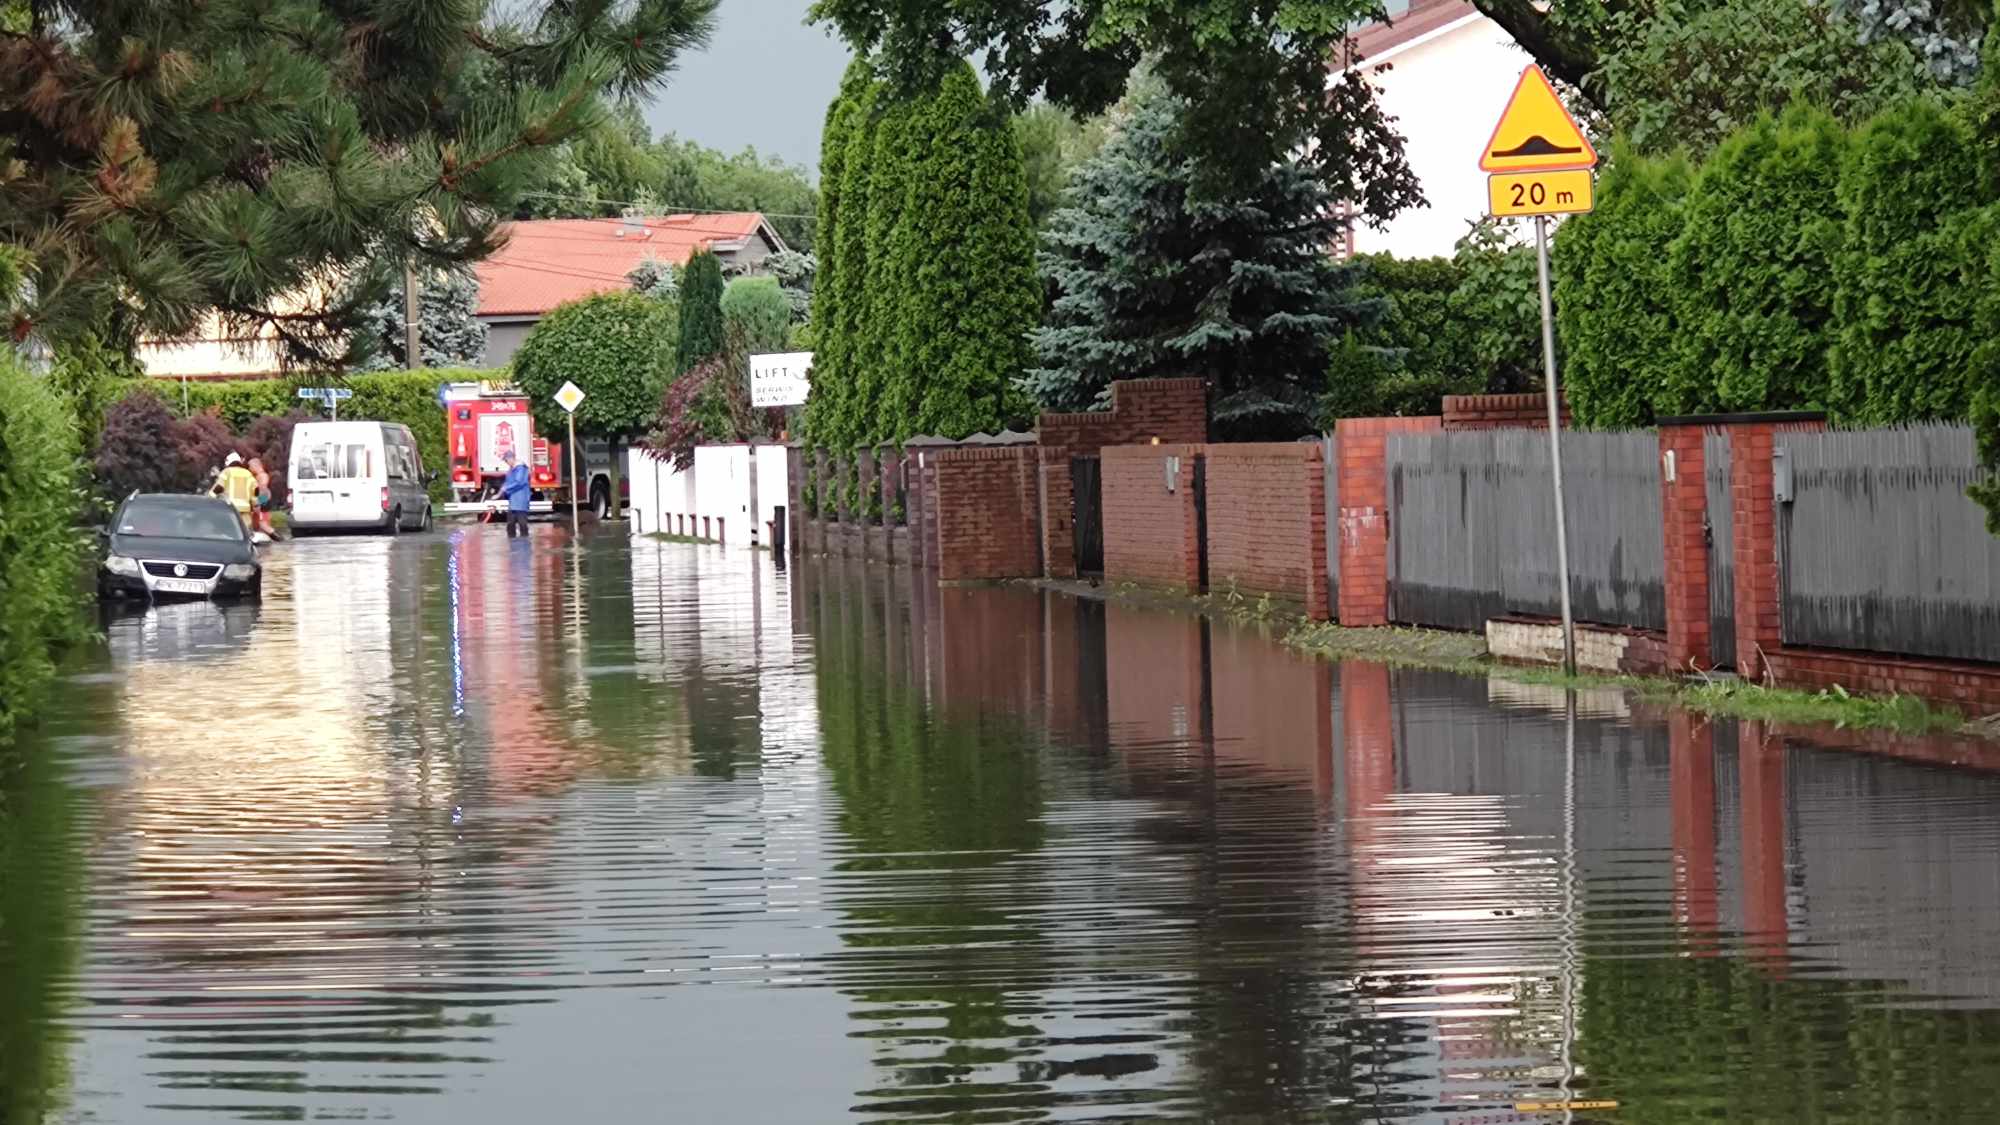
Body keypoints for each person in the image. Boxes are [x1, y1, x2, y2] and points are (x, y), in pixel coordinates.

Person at [211, 452, 259, 533]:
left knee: (229, 531)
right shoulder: (247, 473)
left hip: (230, 507)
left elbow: (219, 487)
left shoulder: (227, 472)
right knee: (245, 531)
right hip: (245, 508)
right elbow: (255, 489)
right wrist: (255, 503)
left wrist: (210, 498)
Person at [500, 449, 532, 538]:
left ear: (511, 458)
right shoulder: (512, 469)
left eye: (506, 460)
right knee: (510, 524)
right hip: (513, 500)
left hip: (521, 500)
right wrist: (501, 491)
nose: (506, 462)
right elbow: (507, 482)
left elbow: (519, 482)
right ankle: (512, 544)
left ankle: (524, 543)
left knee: (522, 524)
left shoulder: (521, 468)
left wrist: (506, 488)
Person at [247, 457, 276, 539]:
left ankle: (279, 539)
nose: (249, 468)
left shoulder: (262, 476)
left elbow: (262, 489)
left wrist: (258, 503)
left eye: (250, 466)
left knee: (262, 524)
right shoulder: (259, 476)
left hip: (263, 500)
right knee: (257, 523)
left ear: (255, 465)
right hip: (263, 500)